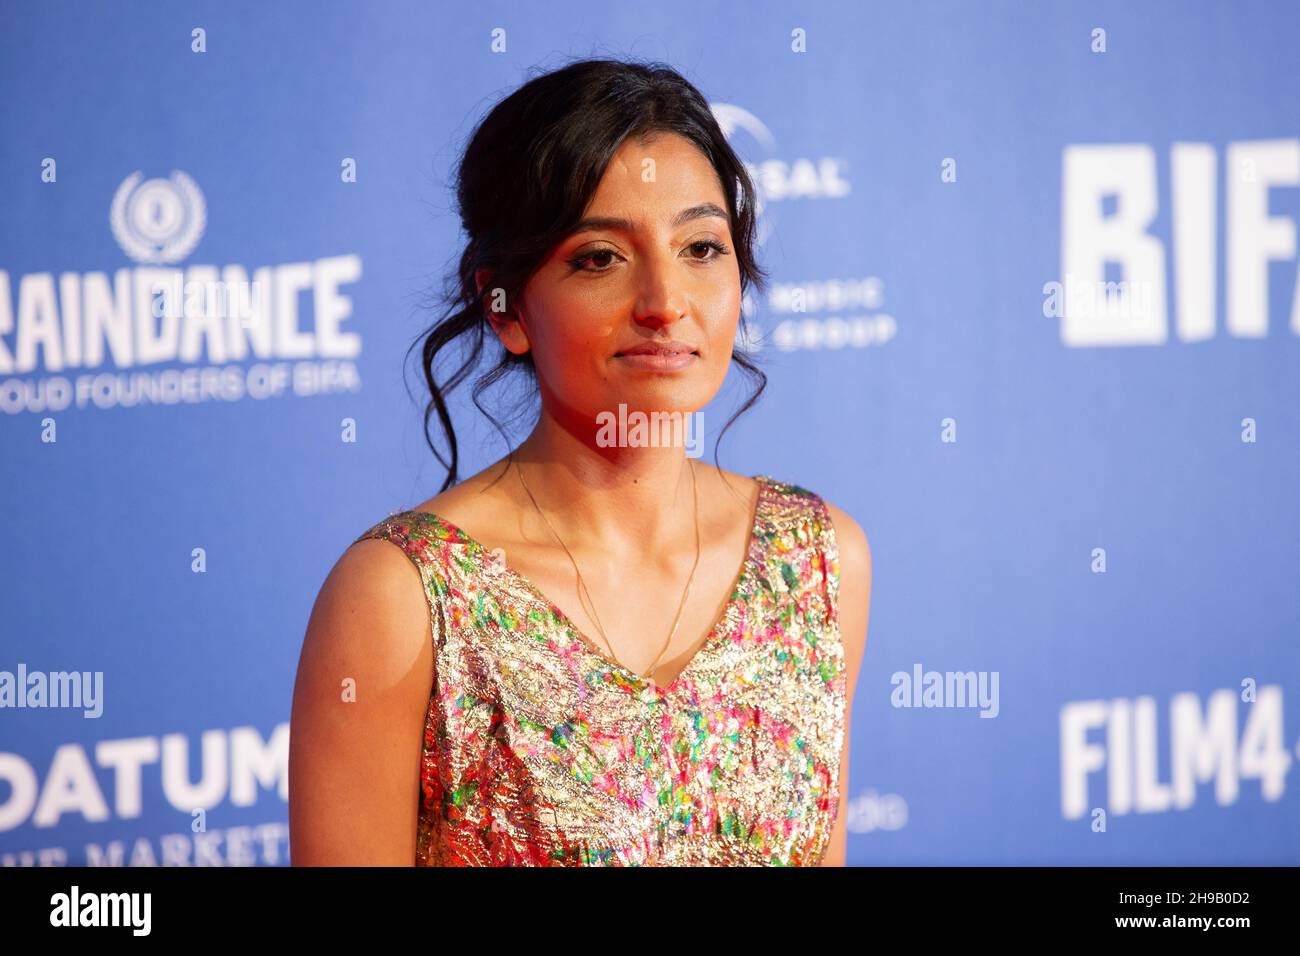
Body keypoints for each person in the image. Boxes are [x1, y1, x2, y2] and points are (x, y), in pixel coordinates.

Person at [289, 57, 871, 866]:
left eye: (701, 246)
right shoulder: (402, 597)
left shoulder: (815, 560)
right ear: (507, 308)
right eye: (599, 258)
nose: (666, 301)